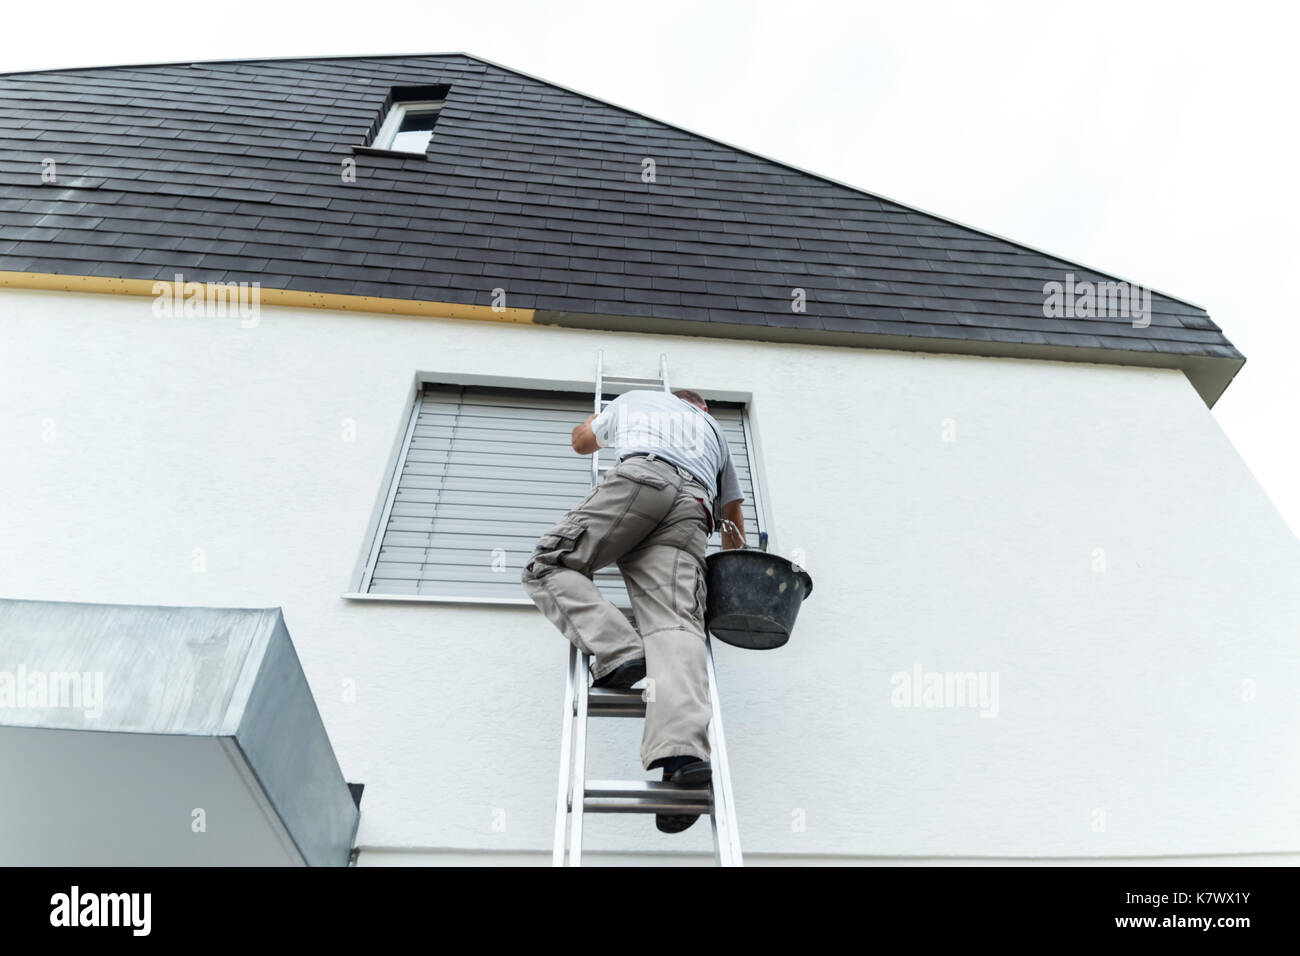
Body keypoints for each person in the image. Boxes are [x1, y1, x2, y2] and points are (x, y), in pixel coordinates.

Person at [521, 387, 745, 833]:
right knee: (677, 625)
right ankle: (682, 757)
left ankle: (620, 649)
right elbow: (733, 520)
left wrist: (593, 423)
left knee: (548, 565)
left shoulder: (637, 398)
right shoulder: (715, 431)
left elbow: (582, 442)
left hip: (642, 478)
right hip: (693, 509)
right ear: (702, 406)